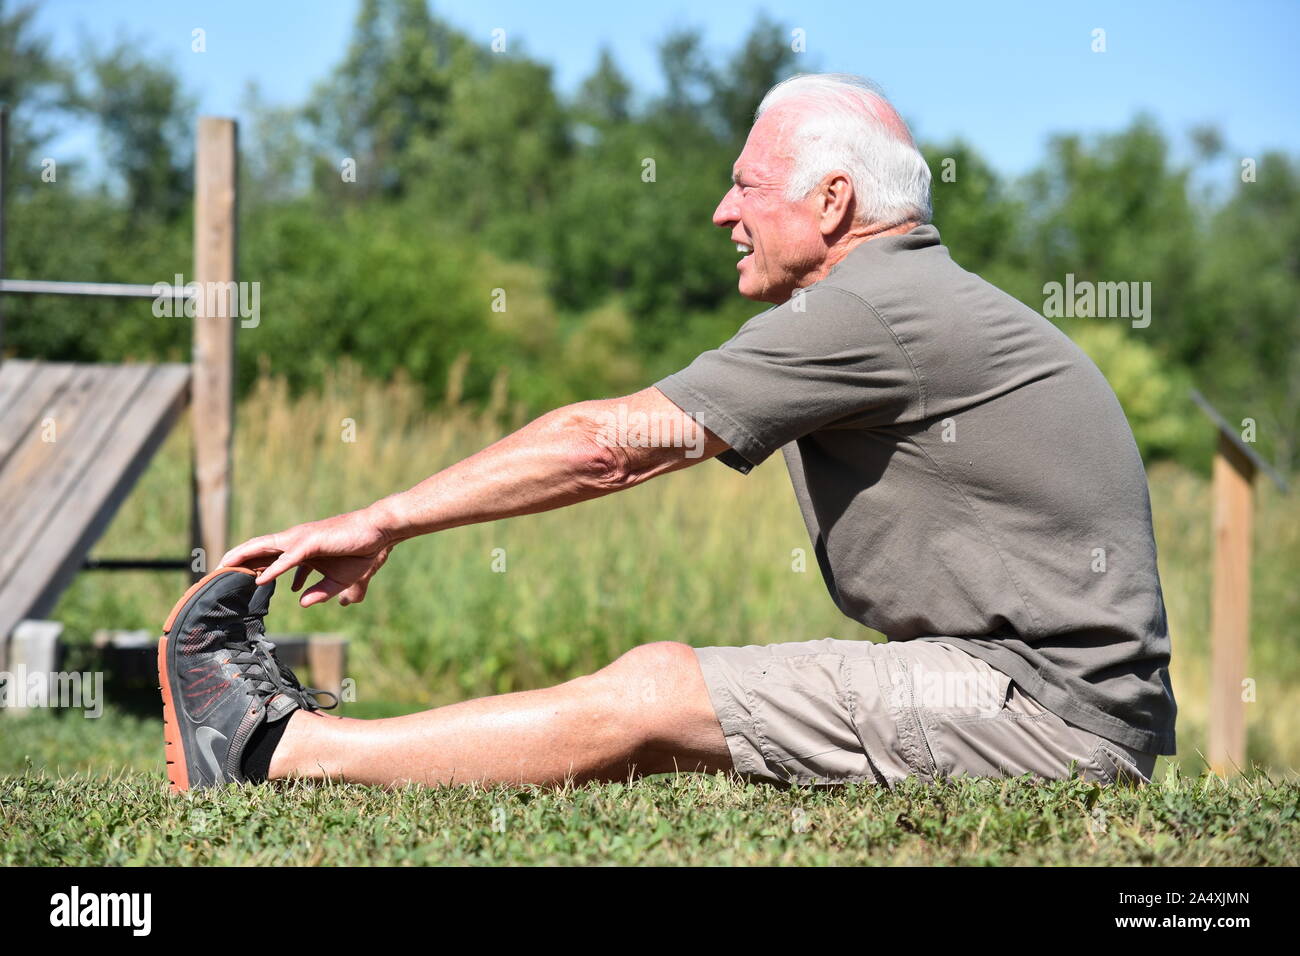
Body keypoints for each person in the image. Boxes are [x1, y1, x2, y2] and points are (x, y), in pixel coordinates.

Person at [159, 73, 1176, 793]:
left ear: (832, 202)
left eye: (747, 183)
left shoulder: (873, 308)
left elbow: (610, 444)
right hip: (1042, 699)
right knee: (673, 696)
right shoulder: (910, 299)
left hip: (1046, 717)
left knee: (655, 690)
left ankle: (273, 753)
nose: (720, 209)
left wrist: (382, 516)